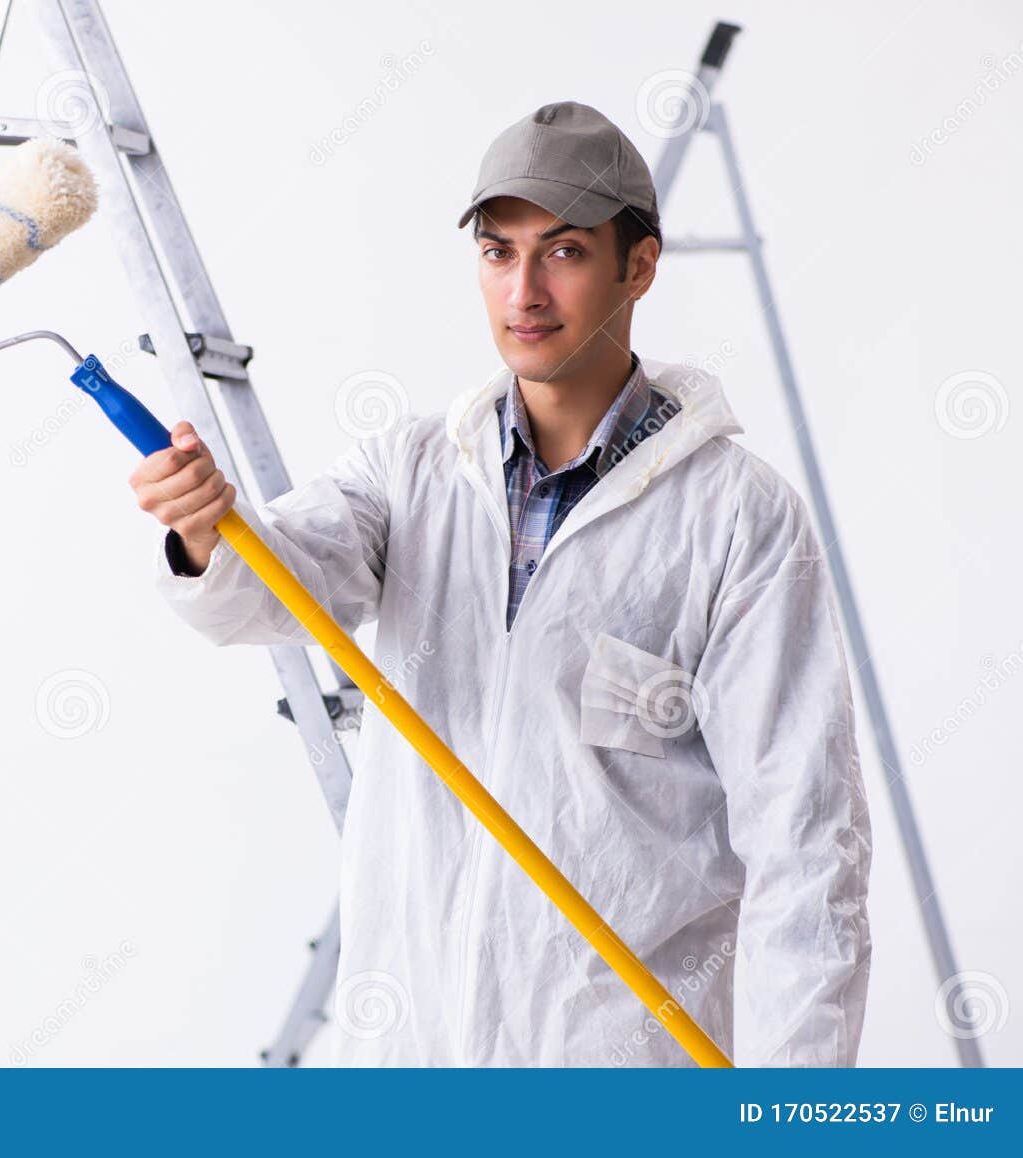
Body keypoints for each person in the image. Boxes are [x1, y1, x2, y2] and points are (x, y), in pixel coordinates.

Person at [130, 101, 872, 1066]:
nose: (523, 290)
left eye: (562, 252)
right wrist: (201, 531)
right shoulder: (411, 472)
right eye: (497, 252)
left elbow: (808, 843)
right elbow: (261, 592)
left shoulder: (736, 518)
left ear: (638, 266)